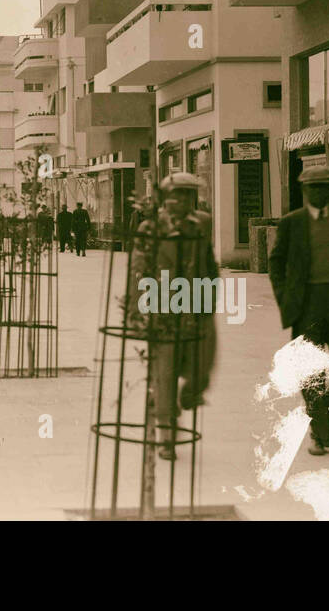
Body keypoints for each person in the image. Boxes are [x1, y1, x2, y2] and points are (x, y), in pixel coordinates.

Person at [268, 163, 329, 456]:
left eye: (325, 187)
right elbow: (276, 262)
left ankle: (322, 411)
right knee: (311, 372)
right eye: (314, 187)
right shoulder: (291, 223)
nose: (320, 192)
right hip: (306, 303)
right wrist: (286, 298)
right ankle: (320, 431)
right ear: (304, 190)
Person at [127, 173, 217, 460]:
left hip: (195, 307)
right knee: (164, 373)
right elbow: (138, 269)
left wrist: (209, 300)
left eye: (187, 195)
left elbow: (208, 263)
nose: (180, 201)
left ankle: (189, 394)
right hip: (162, 311)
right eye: (175, 195)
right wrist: (136, 309)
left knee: (202, 364)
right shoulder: (151, 226)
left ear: (194, 199)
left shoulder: (202, 223)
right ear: (164, 198)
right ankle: (165, 433)